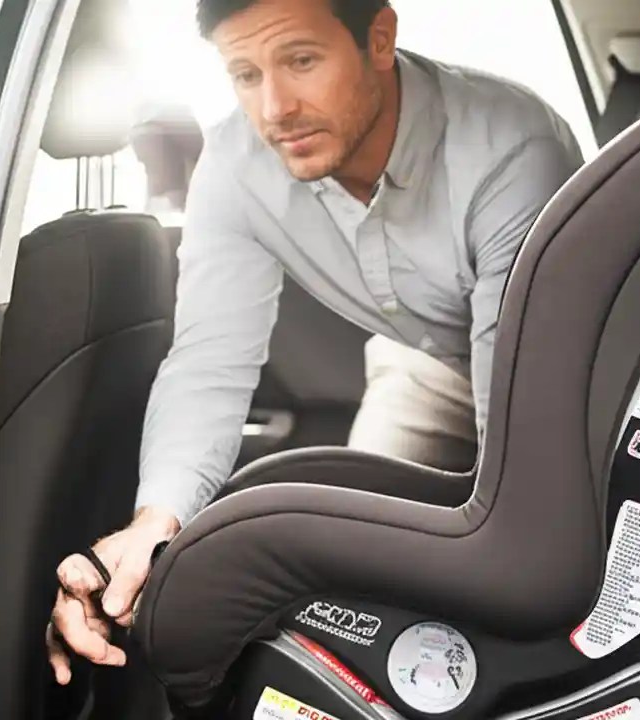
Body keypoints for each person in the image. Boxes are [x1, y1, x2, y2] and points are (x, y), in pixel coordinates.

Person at [46, 0, 582, 683]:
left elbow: (517, 434)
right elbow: (210, 361)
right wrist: (156, 527)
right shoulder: (236, 165)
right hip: (419, 364)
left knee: (515, 570)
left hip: (552, 364)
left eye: (301, 61)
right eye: (244, 73)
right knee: (362, 596)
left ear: (379, 38)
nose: (275, 108)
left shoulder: (510, 147)